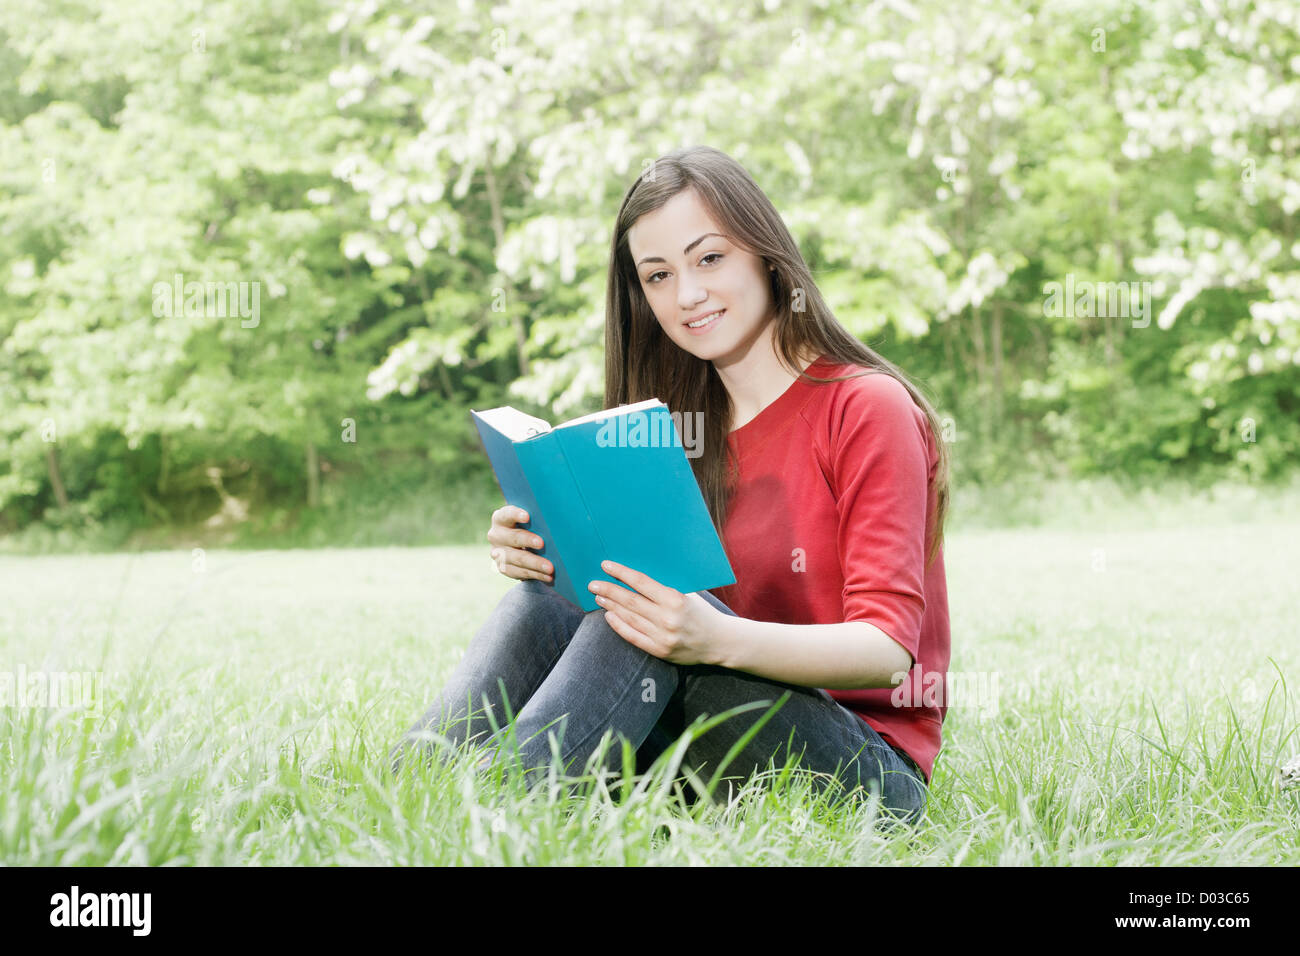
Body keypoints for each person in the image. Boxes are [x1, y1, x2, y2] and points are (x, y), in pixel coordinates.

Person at [390, 145, 951, 827]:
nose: (686, 295)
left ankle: (506, 811)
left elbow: (887, 651)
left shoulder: (864, 407)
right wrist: (541, 550)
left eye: (708, 258)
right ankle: (411, 792)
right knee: (549, 606)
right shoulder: (673, 426)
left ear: (765, 254)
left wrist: (711, 639)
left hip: (861, 768)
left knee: (644, 620)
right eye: (658, 276)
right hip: (698, 725)